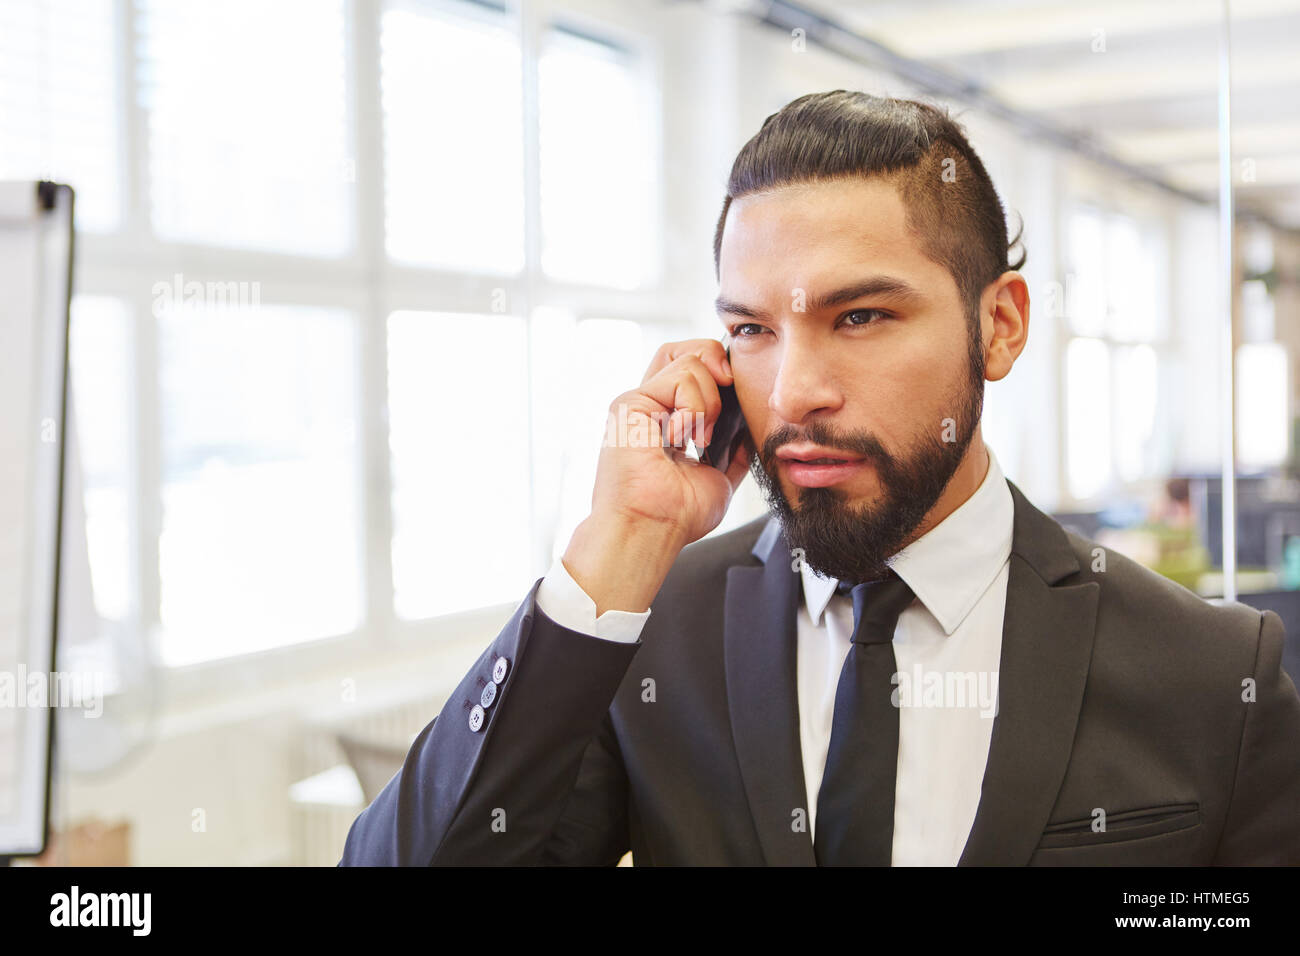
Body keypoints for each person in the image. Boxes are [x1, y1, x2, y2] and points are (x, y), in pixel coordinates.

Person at [339, 90, 1300, 866]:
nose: (795, 393)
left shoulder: (1215, 675)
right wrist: (619, 544)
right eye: (752, 329)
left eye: (862, 317)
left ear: (999, 324)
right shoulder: (651, 633)